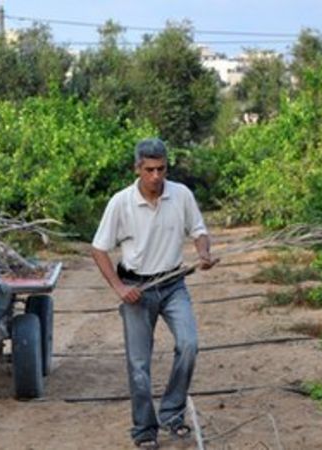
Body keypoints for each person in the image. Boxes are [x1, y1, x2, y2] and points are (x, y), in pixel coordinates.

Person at [90, 138, 217, 449]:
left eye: (161, 169)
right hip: (137, 288)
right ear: (137, 169)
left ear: (166, 167)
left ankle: (172, 414)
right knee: (139, 364)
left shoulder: (181, 195)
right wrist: (120, 288)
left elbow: (199, 231)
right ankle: (145, 430)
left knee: (189, 344)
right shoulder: (121, 202)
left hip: (174, 284)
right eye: (149, 170)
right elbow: (99, 248)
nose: (156, 176)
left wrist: (203, 253)